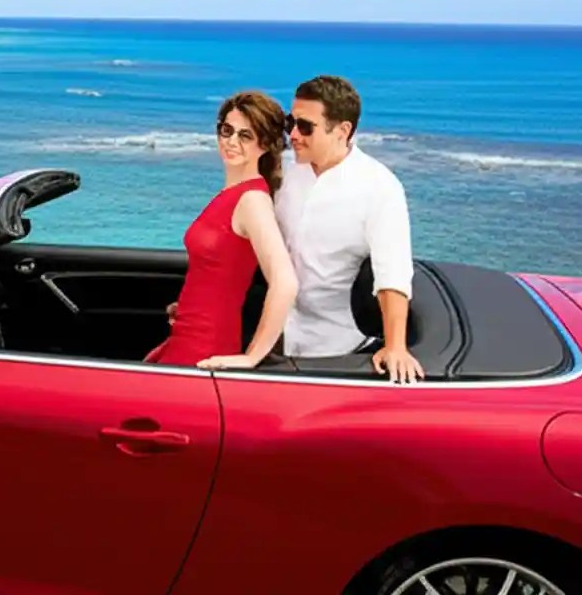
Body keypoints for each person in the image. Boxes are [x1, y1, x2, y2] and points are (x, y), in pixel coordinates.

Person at [207, 75, 424, 383]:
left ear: (343, 131)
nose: (293, 134)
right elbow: (253, 242)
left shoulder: (380, 188)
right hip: (273, 338)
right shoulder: (286, 172)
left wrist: (396, 346)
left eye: (306, 127)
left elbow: (393, 273)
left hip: (335, 353)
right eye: (290, 123)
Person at [145, 91, 299, 369]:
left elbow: (285, 282)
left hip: (206, 346)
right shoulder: (230, 194)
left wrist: (252, 356)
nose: (231, 142)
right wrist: (187, 306)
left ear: (265, 145)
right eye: (227, 131)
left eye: (245, 135)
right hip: (186, 332)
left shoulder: (252, 200)